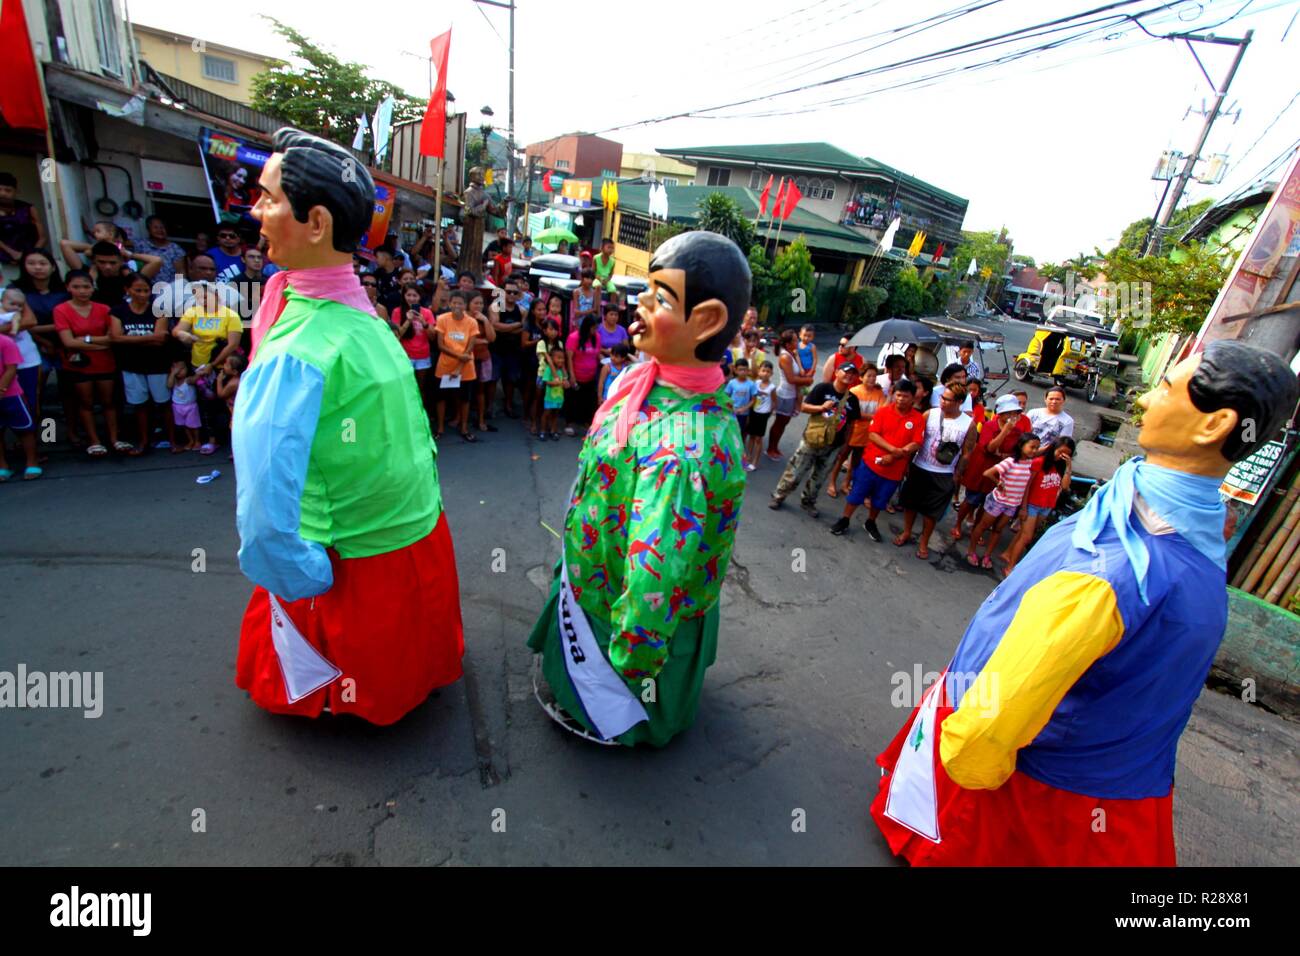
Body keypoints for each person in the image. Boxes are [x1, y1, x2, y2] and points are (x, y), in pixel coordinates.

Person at [871, 340, 1297, 866]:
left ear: (1213, 425)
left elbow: (991, 726)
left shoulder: (1118, 567)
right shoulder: (1198, 539)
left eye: (1166, 388)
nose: (1145, 401)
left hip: (1040, 783)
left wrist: (960, 747)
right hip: (1119, 778)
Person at [233, 127, 464, 725]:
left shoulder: (311, 338)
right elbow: (269, 489)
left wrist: (300, 572)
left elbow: (264, 490)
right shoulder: (354, 321)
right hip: (384, 534)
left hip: (366, 544)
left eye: (266, 198)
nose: (254, 211)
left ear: (315, 223)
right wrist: (297, 569)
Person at [526, 230, 751, 747]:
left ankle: (620, 711)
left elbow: (657, 572)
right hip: (595, 572)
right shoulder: (641, 383)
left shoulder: (684, 447)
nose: (639, 305)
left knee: (619, 690)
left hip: (622, 602)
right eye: (645, 292)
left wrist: (634, 655)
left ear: (708, 321)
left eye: (660, 298)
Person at [829, 379, 923, 540]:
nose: (901, 399)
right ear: (894, 395)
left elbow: (916, 443)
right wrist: (893, 450)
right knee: (856, 494)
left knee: (880, 500)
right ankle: (845, 519)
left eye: (905, 396)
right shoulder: (883, 412)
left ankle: (871, 522)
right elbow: (872, 434)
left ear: (913, 398)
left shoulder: (918, 419)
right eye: (898, 395)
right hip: (871, 464)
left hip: (894, 471)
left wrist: (895, 455)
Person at [770, 362, 862, 518]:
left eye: (853, 373)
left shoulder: (852, 399)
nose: (849, 375)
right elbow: (804, 407)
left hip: (834, 445)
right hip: (812, 440)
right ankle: (779, 496)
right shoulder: (823, 389)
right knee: (796, 472)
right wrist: (821, 408)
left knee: (819, 478)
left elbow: (851, 425)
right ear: (837, 372)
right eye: (846, 372)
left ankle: (808, 502)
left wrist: (845, 446)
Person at [893, 383, 975, 559]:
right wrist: (907, 463)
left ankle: (924, 541)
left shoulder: (968, 424)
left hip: (944, 474)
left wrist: (957, 476)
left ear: (959, 402)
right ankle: (907, 532)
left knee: (932, 513)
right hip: (920, 466)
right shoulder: (930, 414)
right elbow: (915, 439)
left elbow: (967, 454)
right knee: (910, 504)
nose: (943, 402)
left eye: (947, 399)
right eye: (942, 397)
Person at [53, 270, 126, 456]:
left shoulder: (103, 308)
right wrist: (98, 343)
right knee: (85, 403)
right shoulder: (61, 310)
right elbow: (68, 342)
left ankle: (114, 439)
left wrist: (84, 340)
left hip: (105, 362)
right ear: (68, 287)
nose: (82, 291)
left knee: (108, 402)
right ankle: (94, 441)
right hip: (78, 364)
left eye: (86, 286)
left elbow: (112, 338)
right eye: (76, 287)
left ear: (93, 287)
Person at [109, 272, 172, 454]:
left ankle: (173, 439)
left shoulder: (158, 310)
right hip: (131, 365)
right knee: (140, 405)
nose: (143, 294)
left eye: (146, 290)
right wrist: (148, 338)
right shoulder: (118, 311)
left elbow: (161, 339)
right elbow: (115, 338)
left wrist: (129, 338)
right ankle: (144, 441)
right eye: (138, 290)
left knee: (164, 403)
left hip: (157, 364)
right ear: (127, 290)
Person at [12, 249, 69, 433]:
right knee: (35, 395)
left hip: (65, 346)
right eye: (31, 263)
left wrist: (57, 332)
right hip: (32, 349)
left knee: (69, 394)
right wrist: (45, 340)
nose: (37, 268)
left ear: (53, 267)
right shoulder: (16, 291)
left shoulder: (64, 291)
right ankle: (40, 436)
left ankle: (72, 432)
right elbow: (21, 324)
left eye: (42, 263)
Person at [999, 437, 1075, 576]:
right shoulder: (1039, 462)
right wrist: (1023, 507)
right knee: (1027, 537)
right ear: (1054, 448)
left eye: (1066, 454)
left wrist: (1068, 467)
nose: (1061, 456)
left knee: (1024, 533)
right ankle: (1010, 567)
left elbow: (1064, 486)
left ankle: (1008, 553)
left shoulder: (1060, 467)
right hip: (1032, 504)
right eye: (1060, 452)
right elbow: (1027, 485)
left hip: (1046, 506)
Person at [952, 393, 1022, 541]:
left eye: (1014, 413)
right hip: (981, 469)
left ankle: (976, 529)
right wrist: (1005, 432)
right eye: (1007, 413)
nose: (1011, 416)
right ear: (1000, 413)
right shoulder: (989, 426)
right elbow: (990, 448)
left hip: (999, 473)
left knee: (986, 504)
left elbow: (1015, 453)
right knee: (971, 500)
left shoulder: (1018, 433)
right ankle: (958, 524)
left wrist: (1002, 454)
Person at [966, 432, 1040, 570]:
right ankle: (971, 550)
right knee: (982, 526)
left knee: (998, 529)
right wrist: (998, 483)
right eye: (1032, 447)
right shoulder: (1010, 462)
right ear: (1021, 446)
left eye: (1037, 448)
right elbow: (988, 473)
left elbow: (1026, 487)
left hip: (1013, 504)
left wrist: (1023, 507)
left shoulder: (1030, 464)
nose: (1034, 451)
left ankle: (987, 555)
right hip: (998, 501)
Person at [829, 361, 884, 497]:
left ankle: (846, 483)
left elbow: (882, 411)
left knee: (855, 462)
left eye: (874, 376)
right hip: (852, 431)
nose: (872, 379)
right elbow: (853, 414)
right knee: (841, 457)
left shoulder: (879, 394)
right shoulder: (854, 392)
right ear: (861, 377)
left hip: (867, 435)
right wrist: (871, 416)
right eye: (869, 376)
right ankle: (832, 482)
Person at [434, 289, 479, 441]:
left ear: (465, 305)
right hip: (445, 366)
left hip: (465, 368)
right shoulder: (442, 319)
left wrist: (459, 366)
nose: (457, 306)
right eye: (454, 303)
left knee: (465, 399)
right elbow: (440, 344)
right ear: (449, 303)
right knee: (441, 398)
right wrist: (459, 356)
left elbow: (470, 347)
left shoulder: (472, 322)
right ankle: (440, 428)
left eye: (460, 303)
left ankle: (464, 428)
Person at [766, 329, 812, 460]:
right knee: (779, 423)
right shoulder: (785, 357)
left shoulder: (791, 354)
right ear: (788, 344)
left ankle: (775, 447)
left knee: (783, 423)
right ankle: (770, 449)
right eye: (795, 340)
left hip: (791, 396)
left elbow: (799, 373)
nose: (798, 342)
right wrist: (807, 380)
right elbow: (791, 379)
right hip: (785, 395)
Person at [0, 328, 39, 480]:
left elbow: (11, 369)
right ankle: (2, 466)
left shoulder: (5, 341)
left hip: (11, 394)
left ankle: (32, 462)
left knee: (25, 430)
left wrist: (1, 390)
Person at [1, 288, 41, 428]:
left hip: (24, 360)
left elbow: (30, 321)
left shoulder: (9, 294)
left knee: (29, 400)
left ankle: (31, 437)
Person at [489, 277, 525, 417]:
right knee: (492, 379)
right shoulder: (496, 306)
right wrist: (516, 325)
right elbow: (495, 325)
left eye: (514, 292)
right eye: (508, 292)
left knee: (511, 380)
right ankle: (490, 407)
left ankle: (508, 406)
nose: (511, 295)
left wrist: (504, 328)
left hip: (513, 351)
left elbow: (523, 329)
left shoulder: (521, 310)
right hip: (496, 349)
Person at [394, 284, 434, 410]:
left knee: (420, 387)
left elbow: (433, 337)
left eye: (415, 295)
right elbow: (396, 336)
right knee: (406, 386)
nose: (411, 298)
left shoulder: (427, 312)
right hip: (406, 355)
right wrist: (408, 320)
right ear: (404, 296)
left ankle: (419, 412)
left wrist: (424, 323)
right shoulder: (398, 311)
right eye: (408, 295)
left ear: (419, 297)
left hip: (423, 355)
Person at [0, 172, 47, 273]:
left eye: (8, 190)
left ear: (16, 191)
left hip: (29, 258)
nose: (3, 193)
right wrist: (13, 254)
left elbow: (42, 238)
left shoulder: (28, 209)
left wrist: (30, 256)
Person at [564, 313, 602, 436]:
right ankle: (569, 423)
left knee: (588, 400)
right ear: (587, 326)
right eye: (594, 328)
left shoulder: (597, 337)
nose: (595, 330)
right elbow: (569, 358)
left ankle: (586, 422)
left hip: (591, 375)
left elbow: (597, 354)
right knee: (573, 400)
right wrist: (572, 376)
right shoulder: (574, 337)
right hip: (577, 374)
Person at [460, 168, 501, 280]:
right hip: (470, 226)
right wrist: (483, 206)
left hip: (479, 226)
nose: (482, 176)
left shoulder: (485, 194)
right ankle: (466, 275)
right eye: (479, 174)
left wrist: (505, 203)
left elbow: (496, 211)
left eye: (482, 174)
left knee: (477, 251)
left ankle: (475, 276)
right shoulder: (469, 192)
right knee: (469, 251)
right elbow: (469, 211)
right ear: (472, 176)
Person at [468, 291, 498, 432]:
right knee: (464, 391)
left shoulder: (484, 319)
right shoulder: (465, 318)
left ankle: (481, 420)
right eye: (475, 303)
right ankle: (460, 419)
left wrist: (485, 320)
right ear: (469, 304)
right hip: (467, 359)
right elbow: (465, 340)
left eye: (481, 303)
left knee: (481, 391)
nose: (478, 306)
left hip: (483, 358)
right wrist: (480, 340)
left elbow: (491, 339)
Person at [531, 317, 562, 437]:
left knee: (552, 401)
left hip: (556, 377)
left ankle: (550, 425)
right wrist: (555, 376)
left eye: (555, 329)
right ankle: (534, 423)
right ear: (544, 331)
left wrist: (564, 377)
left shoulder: (559, 343)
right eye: (550, 329)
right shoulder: (541, 343)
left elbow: (561, 360)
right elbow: (548, 359)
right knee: (538, 399)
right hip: (543, 375)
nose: (553, 332)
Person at [136, 216, 188, 286]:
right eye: (156, 227)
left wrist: (178, 288)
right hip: (145, 288)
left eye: (162, 227)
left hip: (169, 289)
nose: (160, 230)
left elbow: (180, 272)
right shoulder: (141, 245)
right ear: (149, 230)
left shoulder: (175, 248)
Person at [744, 360, 777, 472]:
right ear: (759, 371)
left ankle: (755, 462)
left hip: (763, 415)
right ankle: (748, 457)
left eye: (768, 371)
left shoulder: (772, 387)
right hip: (754, 412)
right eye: (763, 370)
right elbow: (751, 398)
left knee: (758, 439)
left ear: (771, 374)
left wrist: (769, 412)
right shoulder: (755, 384)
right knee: (751, 436)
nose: (765, 373)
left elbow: (774, 401)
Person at [167, 360, 200, 452]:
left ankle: (197, 440)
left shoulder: (188, 380)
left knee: (194, 425)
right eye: (175, 368)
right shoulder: (173, 381)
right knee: (185, 425)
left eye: (181, 369)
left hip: (190, 406)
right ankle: (190, 440)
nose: (178, 371)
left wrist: (199, 373)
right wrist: (173, 373)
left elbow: (195, 379)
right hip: (178, 406)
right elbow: (169, 385)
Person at [538, 341, 568, 440]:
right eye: (558, 358)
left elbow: (565, 382)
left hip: (559, 398)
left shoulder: (562, 371)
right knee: (546, 414)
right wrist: (558, 383)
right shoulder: (548, 369)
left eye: (562, 358)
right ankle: (542, 431)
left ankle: (553, 431)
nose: (561, 360)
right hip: (549, 398)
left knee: (555, 415)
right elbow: (547, 382)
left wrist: (565, 384)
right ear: (552, 358)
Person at [726, 358, 757, 432]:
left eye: (745, 370)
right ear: (735, 370)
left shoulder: (751, 384)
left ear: (748, 371)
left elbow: (753, 399)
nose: (742, 372)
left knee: (741, 431)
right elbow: (726, 396)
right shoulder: (731, 383)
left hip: (744, 413)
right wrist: (729, 407)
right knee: (731, 431)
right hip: (732, 412)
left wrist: (744, 408)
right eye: (740, 370)